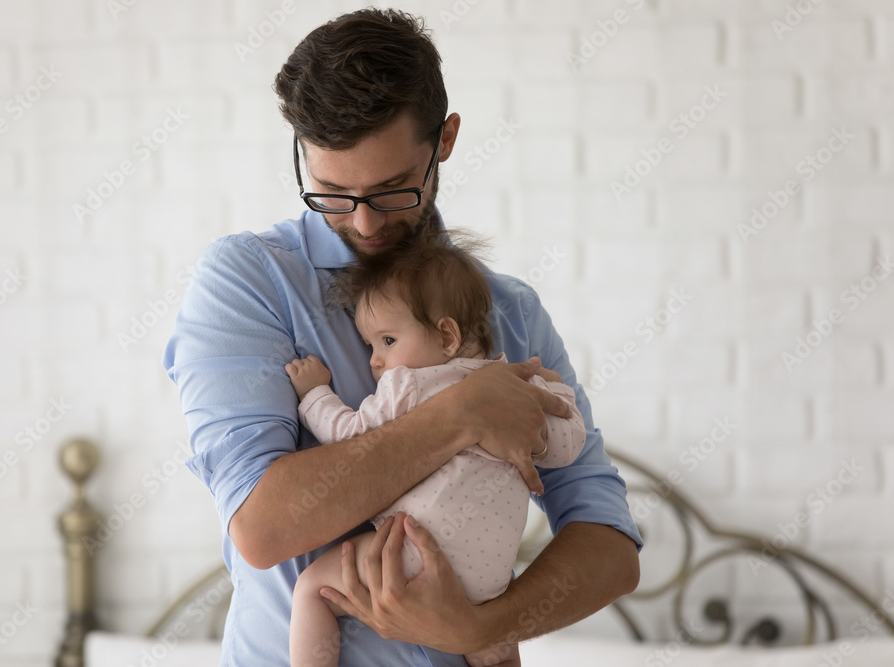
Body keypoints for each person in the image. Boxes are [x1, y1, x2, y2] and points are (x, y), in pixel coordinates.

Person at [162, 8, 642, 667]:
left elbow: (609, 543)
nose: (363, 223)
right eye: (331, 192)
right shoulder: (248, 280)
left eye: (392, 191)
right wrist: (460, 413)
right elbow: (263, 526)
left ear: (445, 140)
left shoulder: (510, 312)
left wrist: (483, 627)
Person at [285, 230, 588, 667]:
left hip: (409, 555)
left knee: (312, 589)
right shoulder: (517, 389)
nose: (375, 360)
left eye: (387, 340)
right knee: (498, 644)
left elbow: (351, 438)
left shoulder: (407, 383)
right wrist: (559, 396)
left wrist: (314, 394)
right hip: (489, 582)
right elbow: (565, 450)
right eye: (371, 345)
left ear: (447, 337)